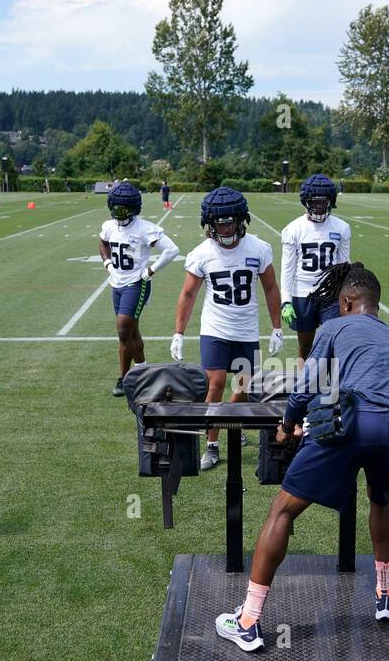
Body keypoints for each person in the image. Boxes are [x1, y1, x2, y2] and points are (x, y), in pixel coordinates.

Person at [214, 263, 389, 651]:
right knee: (379, 496)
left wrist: (288, 422)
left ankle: (247, 620)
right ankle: (385, 593)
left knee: (282, 511)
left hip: (351, 423)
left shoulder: (332, 327)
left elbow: (308, 383)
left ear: (346, 302)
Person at [171, 186, 283, 470]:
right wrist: (179, 332)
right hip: (215, 328)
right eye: (219, 222)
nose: (225, 227)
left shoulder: (258, 247)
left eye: (230, 221)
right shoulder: (201, 253)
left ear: (241, 219)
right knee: (216, 384)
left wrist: (277, 327)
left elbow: (270, 288)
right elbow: (187, 294)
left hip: (246, 329)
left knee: (244, 385)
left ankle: (229, 421)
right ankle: (211, 444)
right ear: (210, 224)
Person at [99, 181, 180, 396]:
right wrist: (107, 262)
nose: (119, 212)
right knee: (131, 331)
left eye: (123, 208)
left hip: (136, 283)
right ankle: (143, 369)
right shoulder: (109, 226)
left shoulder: (145, 229)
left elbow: (172, 250)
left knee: (124, 328)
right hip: (116, 283)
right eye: (115, 208)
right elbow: (103, 242)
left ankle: (123, 379)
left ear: (134, 208)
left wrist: (150, 271)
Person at [280, 174, 352, 361]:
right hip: (302, 293)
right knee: (305, 347)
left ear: (331, 201)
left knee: (334, 344)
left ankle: (334, 386)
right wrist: (286, 301)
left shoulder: (342, 227)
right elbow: (287, 268)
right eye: (315, 202)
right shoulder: (293, 229)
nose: (319, 207)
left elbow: (343, 267)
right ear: (306, 202)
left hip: (330, 295)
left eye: (323, 202)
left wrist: (345, 296)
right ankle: (305, 386)